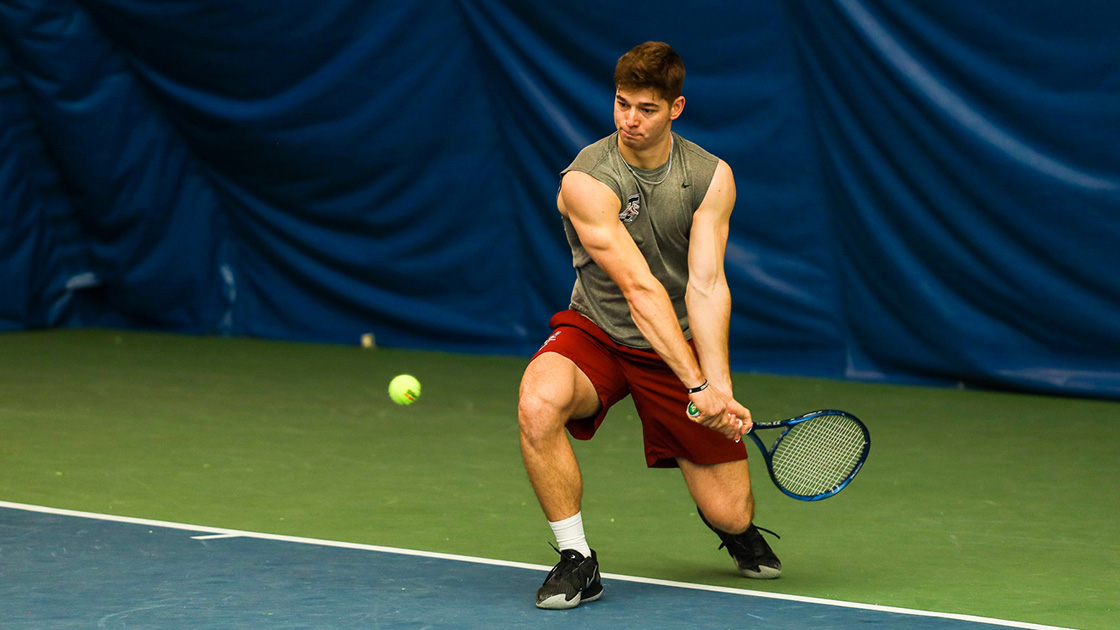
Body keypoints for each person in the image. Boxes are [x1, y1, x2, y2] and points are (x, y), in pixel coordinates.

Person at [518, 41, 781, 610]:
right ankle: (577, 559)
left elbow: (706, 285)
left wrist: (718, 385)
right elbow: (640, 291)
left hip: (674, 341)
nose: (630, 120)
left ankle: (733, 530)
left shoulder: (710, 177)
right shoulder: (587, 180)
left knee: (731, 511)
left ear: (676, 108)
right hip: (598, 330)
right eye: (622, 104)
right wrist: (698, 385)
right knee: (538, 402)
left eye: (646, 108)